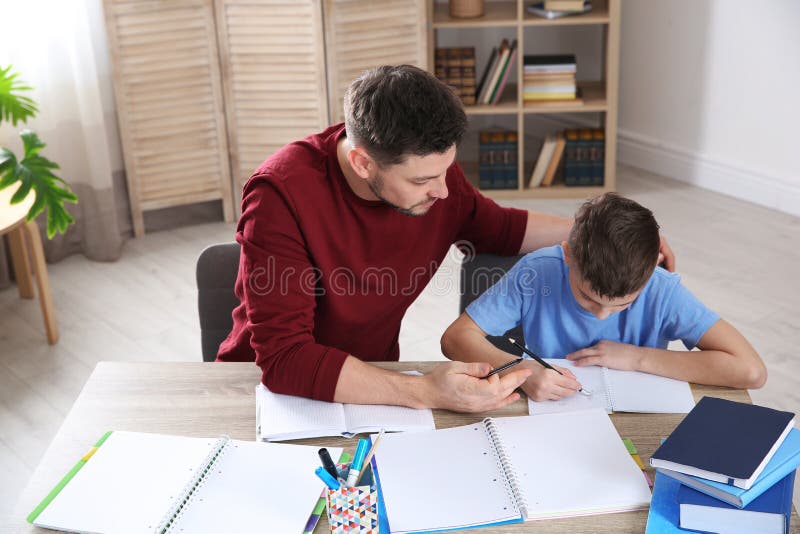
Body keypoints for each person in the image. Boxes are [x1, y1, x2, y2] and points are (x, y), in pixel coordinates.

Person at [217, 65, 675, 412]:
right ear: (362, 163)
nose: (441, 190)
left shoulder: (435, 177)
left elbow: (498, 226)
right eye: (422, 182)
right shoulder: (280, 194)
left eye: (445, 172)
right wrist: (425, 391)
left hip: (372, 383)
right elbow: (286, 360)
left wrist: (609, 235)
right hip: (266, 395)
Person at [441, 193, 766, 402]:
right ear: (568, 254)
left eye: (623, 305)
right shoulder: (538, 273)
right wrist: (519, 370)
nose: (601, 316)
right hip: (553, 417)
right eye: (587, 297)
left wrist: (637, 358)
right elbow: (456, 337)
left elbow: (750, 371)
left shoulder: (661, 289)